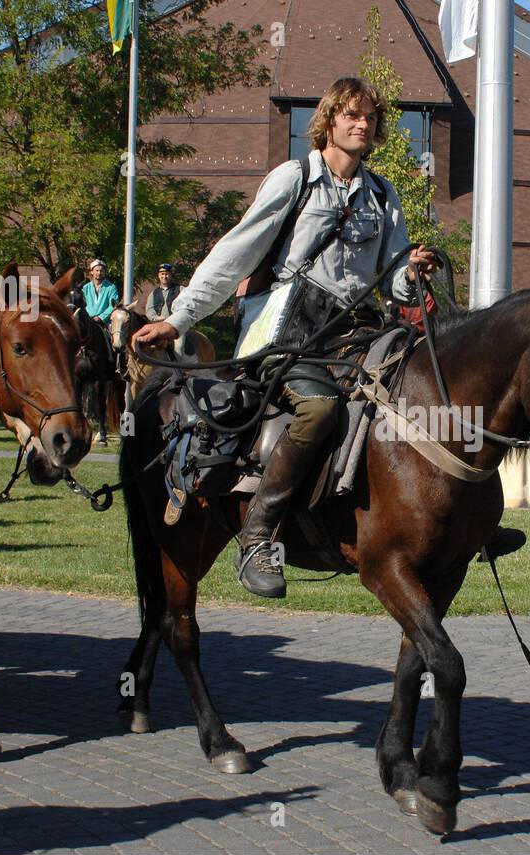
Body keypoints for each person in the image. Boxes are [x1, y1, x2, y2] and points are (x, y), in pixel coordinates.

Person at [131, 76, 448, 598]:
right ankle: (259, 534)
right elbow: (236, 252)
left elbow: (391, 276)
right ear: (328, 121)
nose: (361, 124)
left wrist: (411, 270)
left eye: (369, 117)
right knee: (319, 410)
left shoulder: (383, 193)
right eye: (350, 114)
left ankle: (456, 522)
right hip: (287, 332)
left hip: (355, 330)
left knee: (424, 387)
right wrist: (178, 318)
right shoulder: (294, 177)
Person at [145, 263, 196, 358]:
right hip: (158, 326)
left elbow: (188, 304)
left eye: (167, 274)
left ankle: (180, 370)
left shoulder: (181, 289)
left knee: (179, 347)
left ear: (171, 275)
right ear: (158, 276)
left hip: (176, 326)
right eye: (162, 274)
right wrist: (156, 318)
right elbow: (149, 310)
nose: (164, 276)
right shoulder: (153, 293)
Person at [82, 259, 119, 325]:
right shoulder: (85, 288)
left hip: (105, 323)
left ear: (105, 272)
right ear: (92, 272)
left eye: (101, 271)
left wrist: (101, 317)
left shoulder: (111, 287)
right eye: (97, 270)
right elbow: (82, 304)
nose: (99, 273)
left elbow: (113, 306)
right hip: (87, 321)